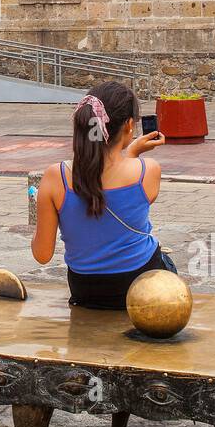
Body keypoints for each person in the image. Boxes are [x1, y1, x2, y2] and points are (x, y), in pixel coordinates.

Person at [30, 82, 171, 310]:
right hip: (140, 285)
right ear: (129, 125)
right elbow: (118, 180)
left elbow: (42, 255)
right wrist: (132, 152)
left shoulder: (56, 177)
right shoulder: (148, 171)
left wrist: (44, 208)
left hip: (86, 289)